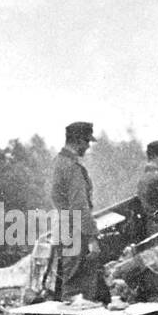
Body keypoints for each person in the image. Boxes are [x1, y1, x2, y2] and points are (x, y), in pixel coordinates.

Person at [50, 120, 102, 300]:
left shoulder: (59, 162)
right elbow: (80, 206)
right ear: (78, 140)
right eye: (86, 142)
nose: (87, 147)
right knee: (74, 289)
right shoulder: (71, 167)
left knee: (70, 284)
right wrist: (92, 238)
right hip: (74, 231)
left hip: (64, 227)